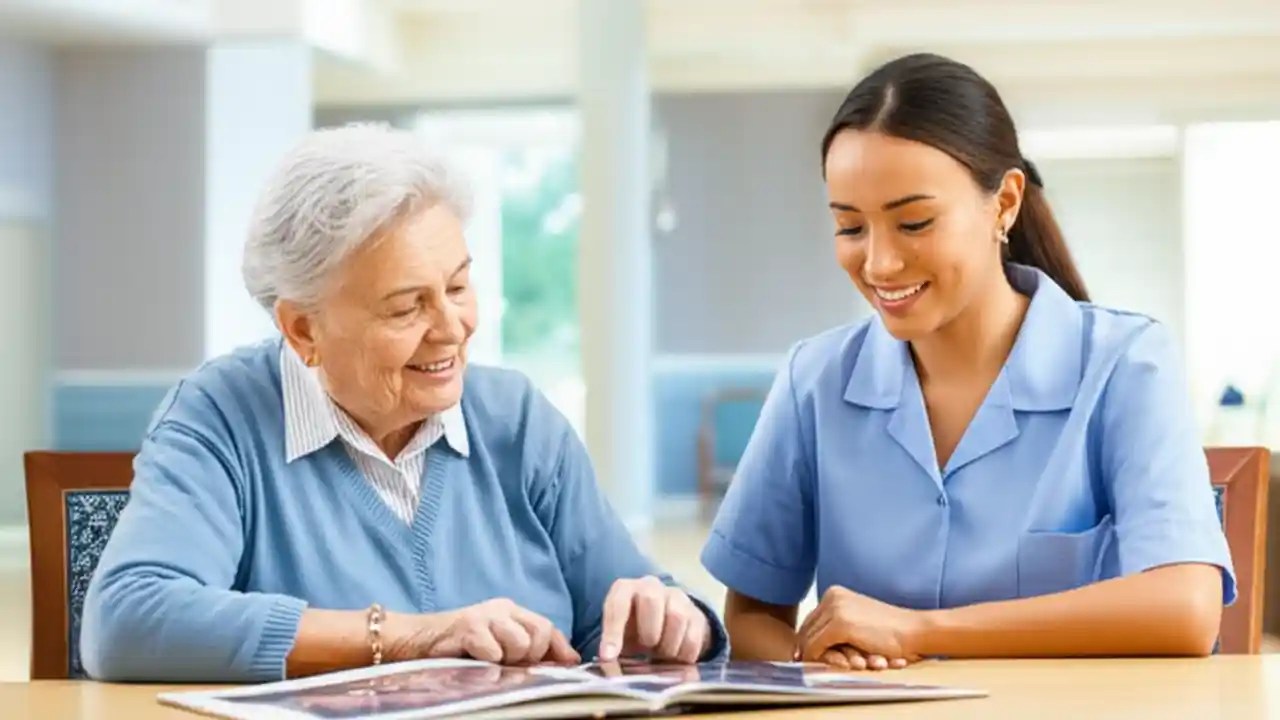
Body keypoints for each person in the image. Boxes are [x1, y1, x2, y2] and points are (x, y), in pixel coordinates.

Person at [81, 123, 726, 683]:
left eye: (458, 285)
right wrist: (415, 636)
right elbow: (129, 618)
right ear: (303, 329)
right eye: (406, 306)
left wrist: (671, 618)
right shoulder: (220, 416)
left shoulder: (518, 420)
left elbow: (626, 607)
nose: (452, 327)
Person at [700, 53, 1235, 670]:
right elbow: (753, 616)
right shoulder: (813, 381)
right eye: (850, 227)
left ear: (1003, 203)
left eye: (914, 222)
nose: (878, 263)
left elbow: (1186, 609)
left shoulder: (1125, 363)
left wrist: (919, 631)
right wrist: (823, 666)